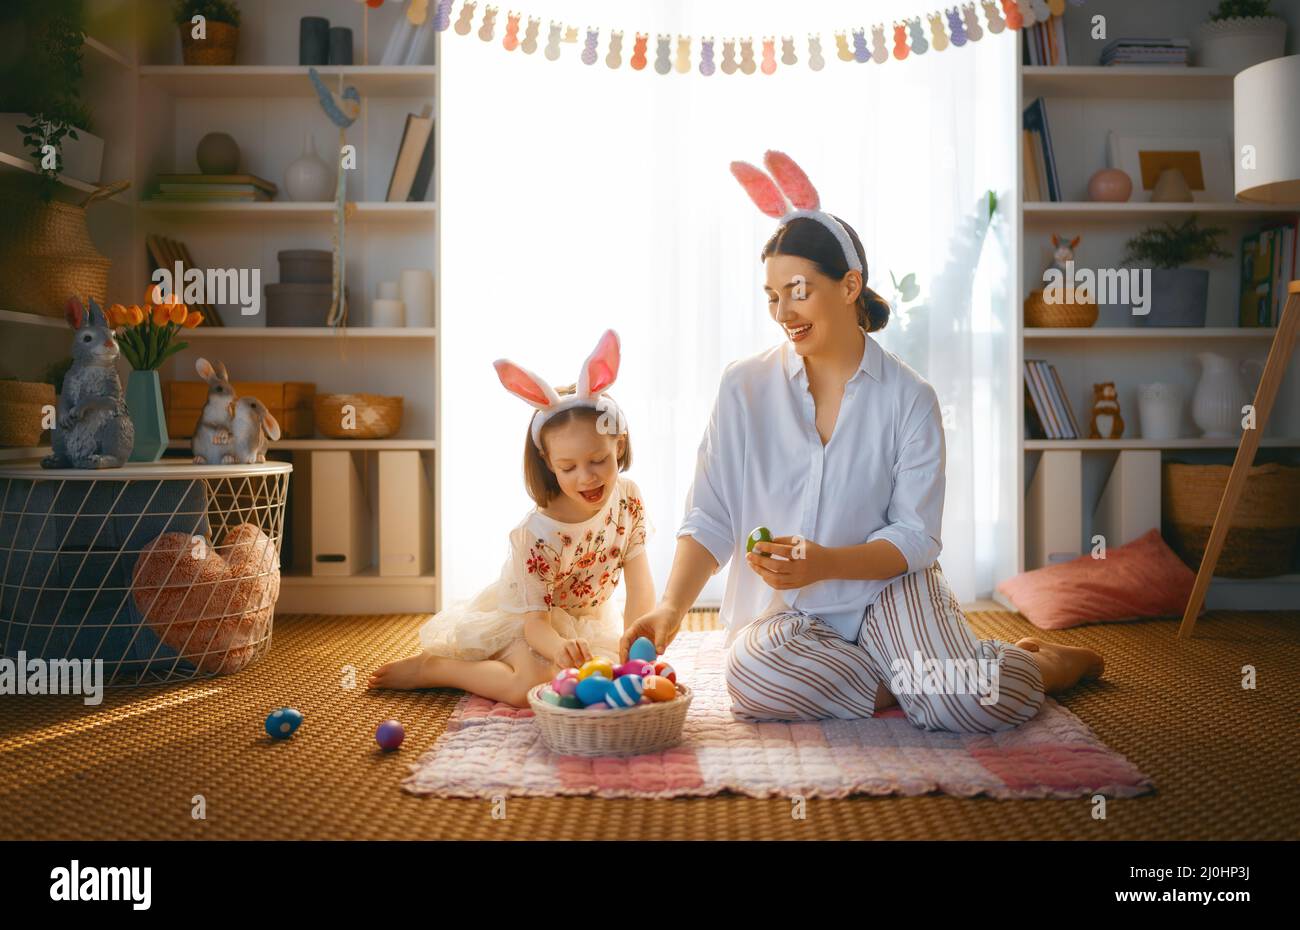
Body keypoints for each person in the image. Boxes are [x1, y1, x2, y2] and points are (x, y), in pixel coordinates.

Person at [621, 151, 1102, 731]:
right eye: (772, 297)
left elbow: (916, 537)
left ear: (850, 286)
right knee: (751, 679)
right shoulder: (742, 387)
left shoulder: (911, 397)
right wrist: (671, 608)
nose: (783, 313)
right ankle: (931, 674)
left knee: (967, 706)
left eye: (797, 292)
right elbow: (711, 514)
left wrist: (825, 564)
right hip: (791, 617)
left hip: (888, 590)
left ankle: (1040, 666)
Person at [369, 330, 654, 707]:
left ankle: (524, 663)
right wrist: (559, 648)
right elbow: (535, 624)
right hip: (531, 624)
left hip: (588, 620)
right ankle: (435, 668)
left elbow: (640, 585)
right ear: (549, 464)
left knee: (593, 682)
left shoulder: (628, 499)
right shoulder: (536, 535)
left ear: (618, 444)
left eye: (598, 460)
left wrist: (634, 645)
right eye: (568, 467)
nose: (587, 477)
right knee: (530, 689)